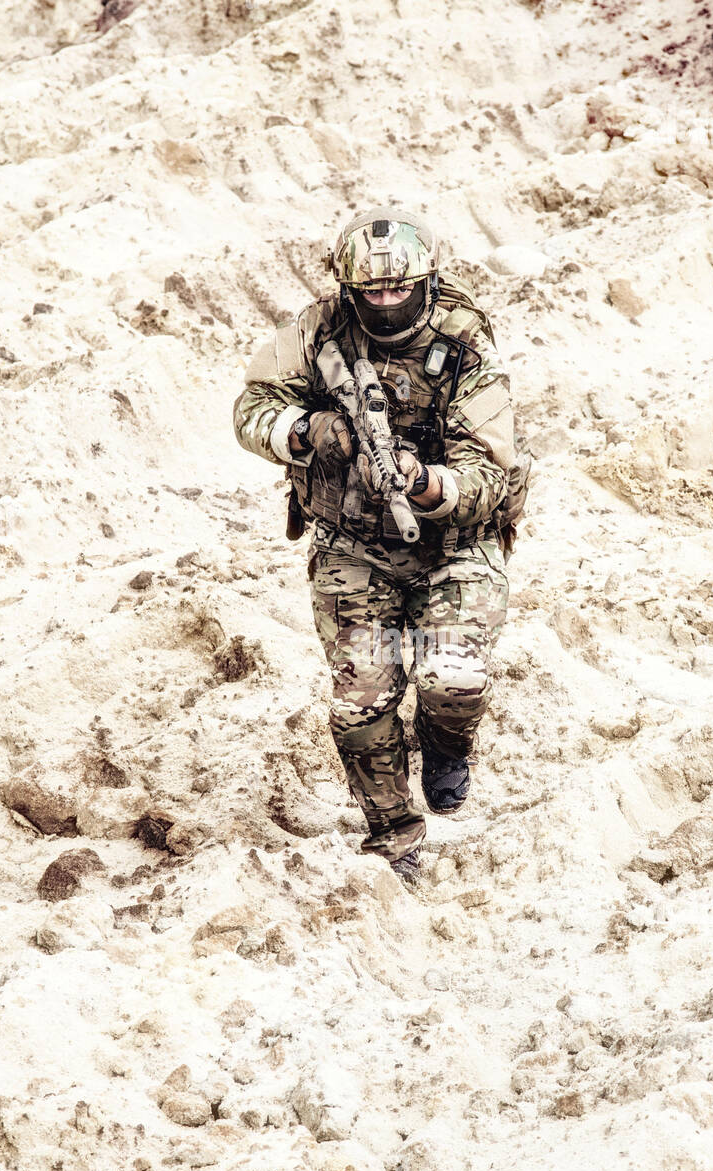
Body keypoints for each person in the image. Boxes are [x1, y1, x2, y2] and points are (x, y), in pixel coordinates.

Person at [232, 207, 527, 878]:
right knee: (360, 708)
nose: (385, 302)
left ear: (423, 282)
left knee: (450, 678)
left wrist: (419, 481)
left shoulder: (463, 341)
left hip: (456, 541)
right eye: (371, 292)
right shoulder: (318, 332)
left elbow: (488, 477)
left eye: (398, 289)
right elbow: (251, 410)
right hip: (353, 544)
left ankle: (446, 741)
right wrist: (310, 433)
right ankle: (394, 837)